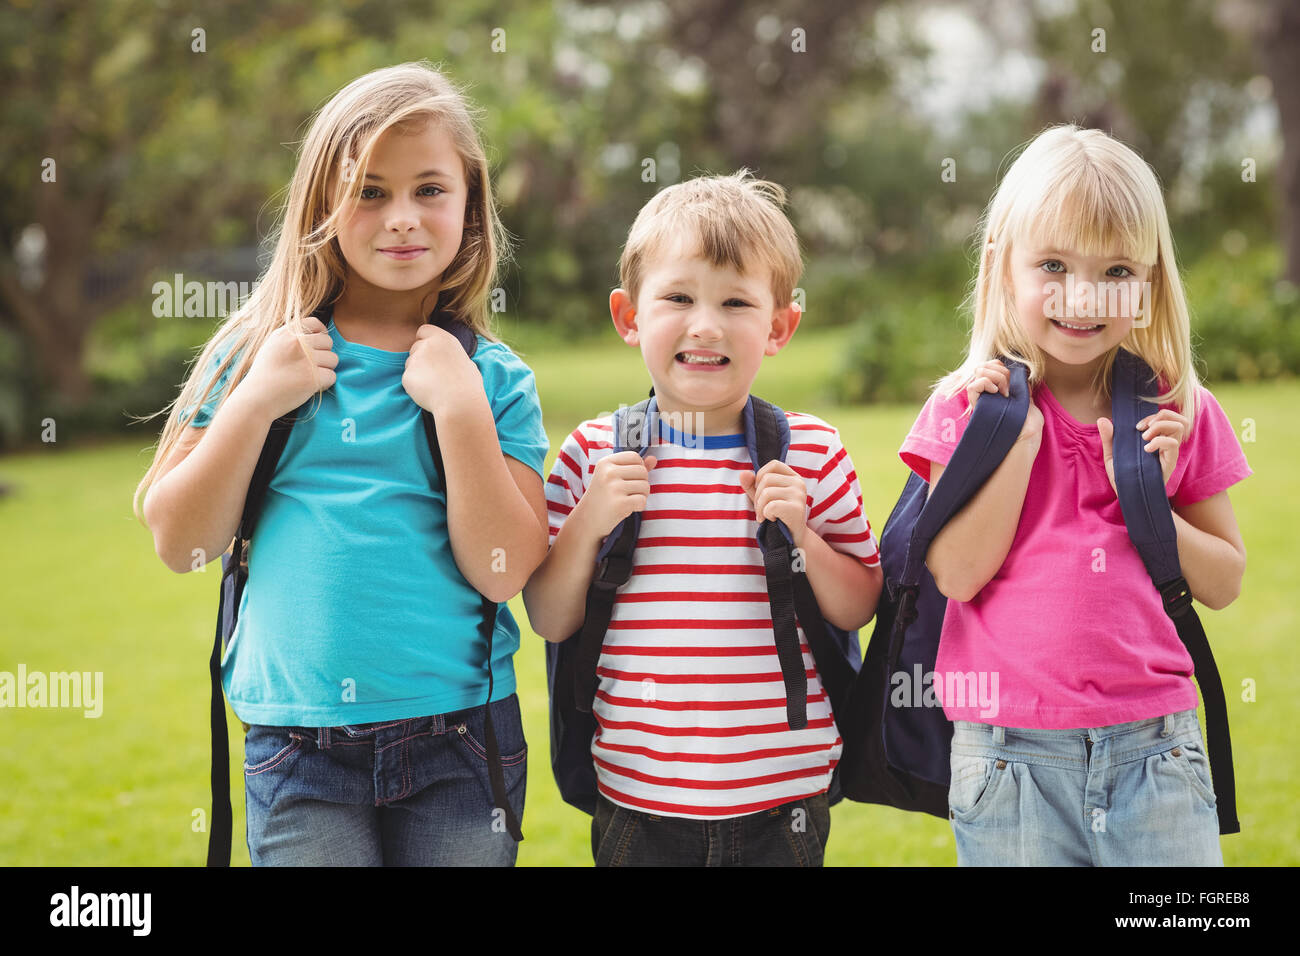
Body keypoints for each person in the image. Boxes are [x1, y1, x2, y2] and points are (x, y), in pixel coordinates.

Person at [134, 62, 548, 866]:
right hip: (298, 749)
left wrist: (459, 409)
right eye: (368, 190)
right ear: (322, 203)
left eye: (430, 190)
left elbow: (505, 570)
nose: (401, 218)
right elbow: (181, 543)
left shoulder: (493, 379)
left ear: (470, 207)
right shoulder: (256, 355)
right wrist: (256, 401)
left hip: (461, 740)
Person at [900, 125, 1251, 866]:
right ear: (1002, 268)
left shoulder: (1179, 410)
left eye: (1117, 269)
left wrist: (1143, 495)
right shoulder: (966, 411)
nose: (1082, 296)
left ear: (1150, 284)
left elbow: (1224, 581)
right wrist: (1020, 443)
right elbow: (959, 574)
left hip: (1156, 750)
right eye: (1053, 265)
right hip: (1008, 759)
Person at [523, 171, 884, 866]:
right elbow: (548, 616)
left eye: (737, 302)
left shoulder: (812, 451)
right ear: (630, 318)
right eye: (679, 297)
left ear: (779, 327)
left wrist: (804, 535)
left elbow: (857, 605)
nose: (706, 325)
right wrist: (589, 519)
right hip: (637, 797)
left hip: (785, 798)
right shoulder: (593, 453)